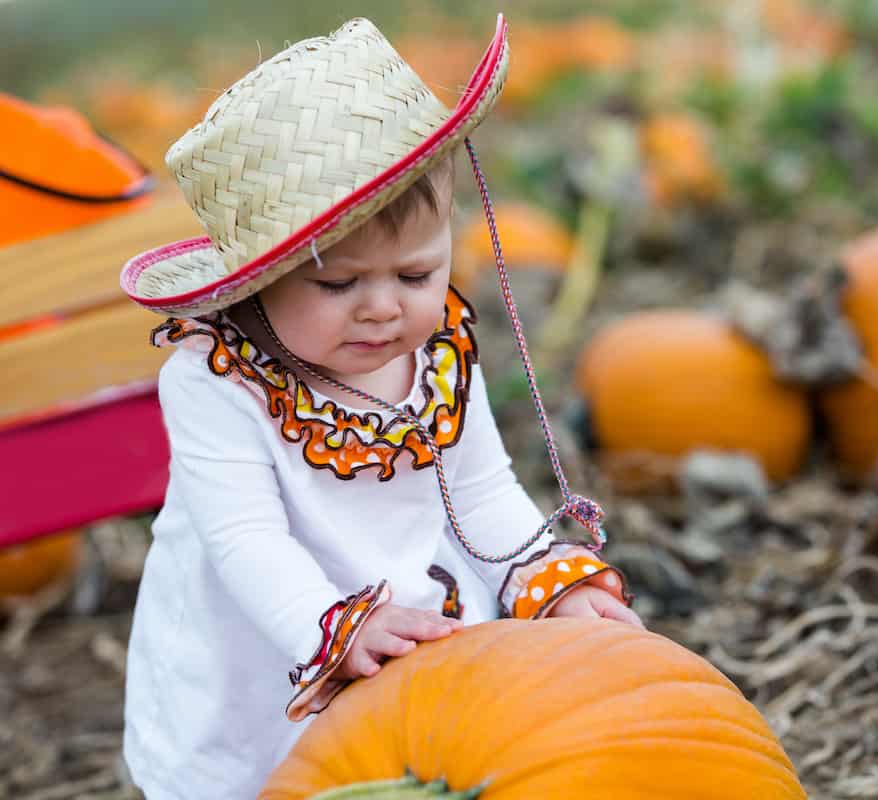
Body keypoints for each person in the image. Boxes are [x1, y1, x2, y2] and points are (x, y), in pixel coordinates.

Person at [118, 16, 640, 798]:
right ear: (258, 281)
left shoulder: (436, 355)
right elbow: (245, 540)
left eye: (416, 274)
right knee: (273, 776)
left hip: (415, 618)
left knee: (421, 761)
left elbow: (482, 490)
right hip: (271, 640)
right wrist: (328, 625)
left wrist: (547, 579)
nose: (383, 310)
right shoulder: (216, 381)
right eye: (339, 285)